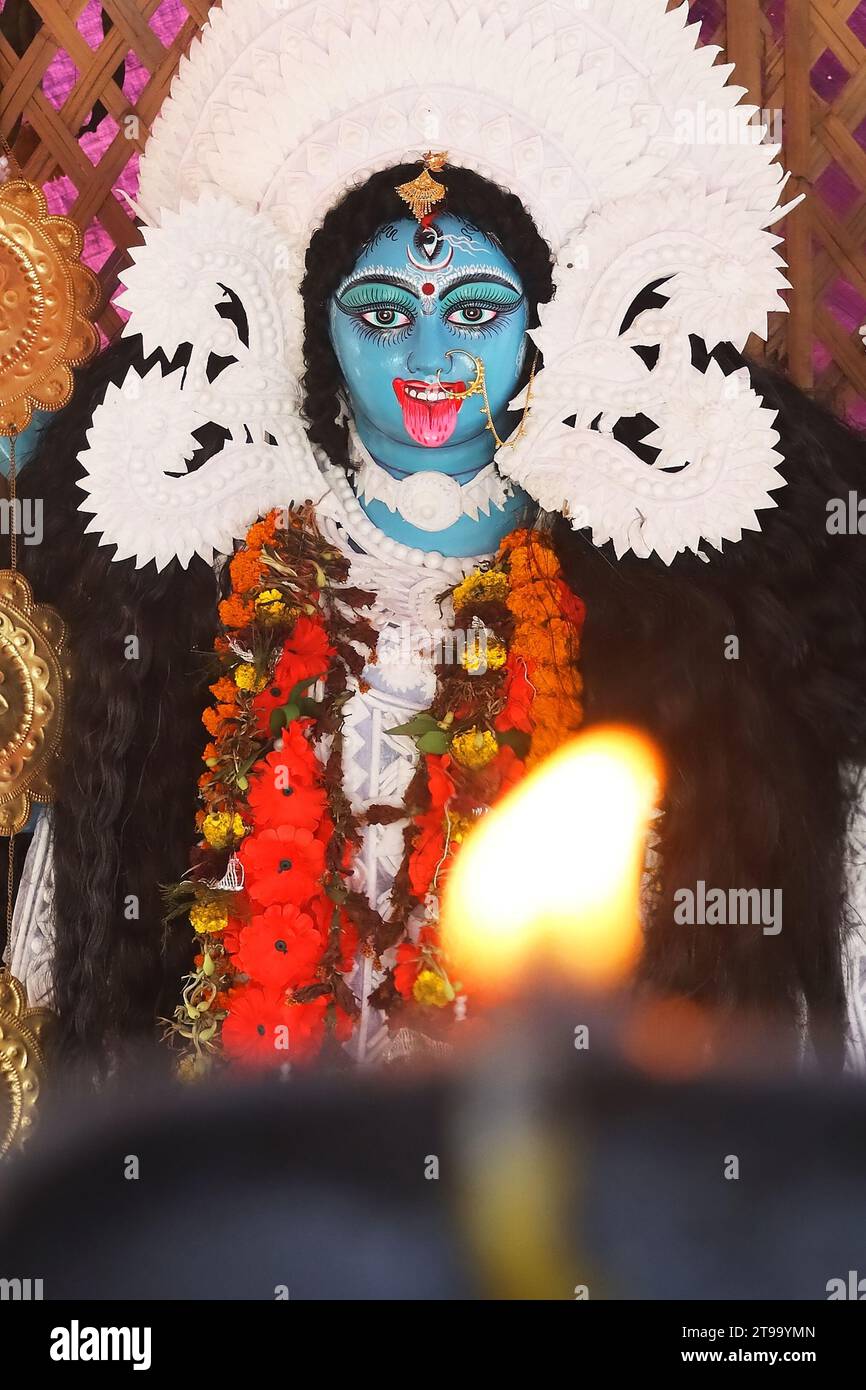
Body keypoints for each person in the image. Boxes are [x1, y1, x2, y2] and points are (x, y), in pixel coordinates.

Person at [9, 0, 866, 1076]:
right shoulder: (212, 581)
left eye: (472, 310)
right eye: (377, 311)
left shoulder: (667, 598)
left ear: (549, 322)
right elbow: (74, 956)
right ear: (311, 327)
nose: (424, 352)